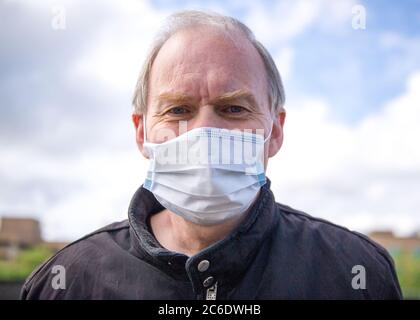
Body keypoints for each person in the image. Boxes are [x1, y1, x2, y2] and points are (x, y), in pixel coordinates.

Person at [21, 10, 402, 300]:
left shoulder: (354, 272)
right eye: (177, 110)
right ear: (141, 132)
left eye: (234, 109)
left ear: (276, 130)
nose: (204, 132)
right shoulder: (68, 282)